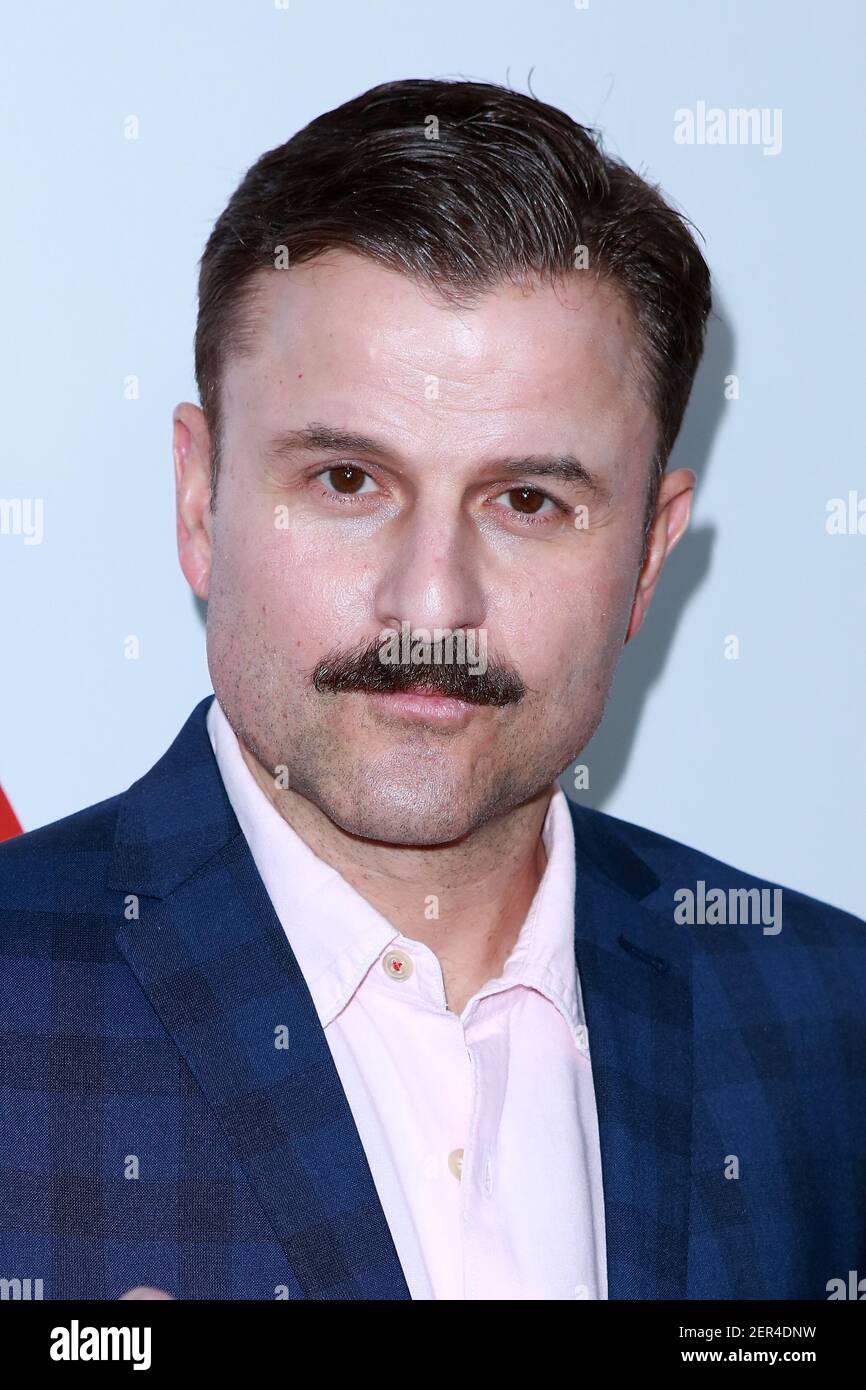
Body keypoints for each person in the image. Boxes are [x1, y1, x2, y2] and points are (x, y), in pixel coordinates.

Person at [1, 78, 864, 1302]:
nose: (430, 605)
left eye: (527, 502)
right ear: (200, 502)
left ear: (648, 555)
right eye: (348, 480)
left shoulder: (829, 1023)